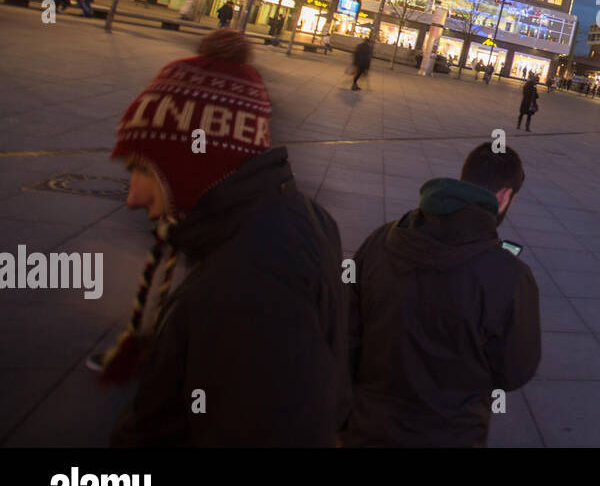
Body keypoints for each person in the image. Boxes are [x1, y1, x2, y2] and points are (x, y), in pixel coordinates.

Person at [96, 30, 350, 446]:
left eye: (144, 171)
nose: (132, 197)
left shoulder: (246, 286)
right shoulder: (290, 221)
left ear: (193, 171)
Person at [341, 144, 540, 447]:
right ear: (503, 197)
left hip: (368, 428)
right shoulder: (510, 277)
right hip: (453, 435)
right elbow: (515, 371)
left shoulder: (381, 239)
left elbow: (345, 335)